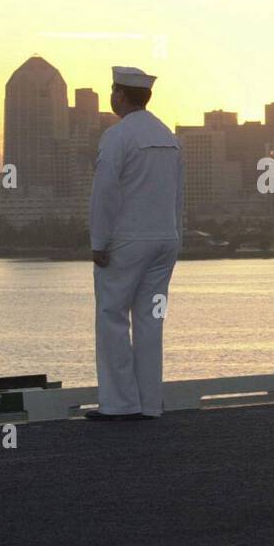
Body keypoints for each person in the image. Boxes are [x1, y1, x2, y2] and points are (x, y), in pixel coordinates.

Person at [87, 66, 184, 420]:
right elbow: (178, 194)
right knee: (150, 320)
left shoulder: (118, 137)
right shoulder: (168, 136)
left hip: (127, 241)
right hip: (164, 240)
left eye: (113, 90)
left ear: (121, 95)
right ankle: (149, 403)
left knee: (112, 316)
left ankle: (118, 403)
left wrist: (99, 240)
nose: (111, 96)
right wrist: (176, 236)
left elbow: (105, 193)